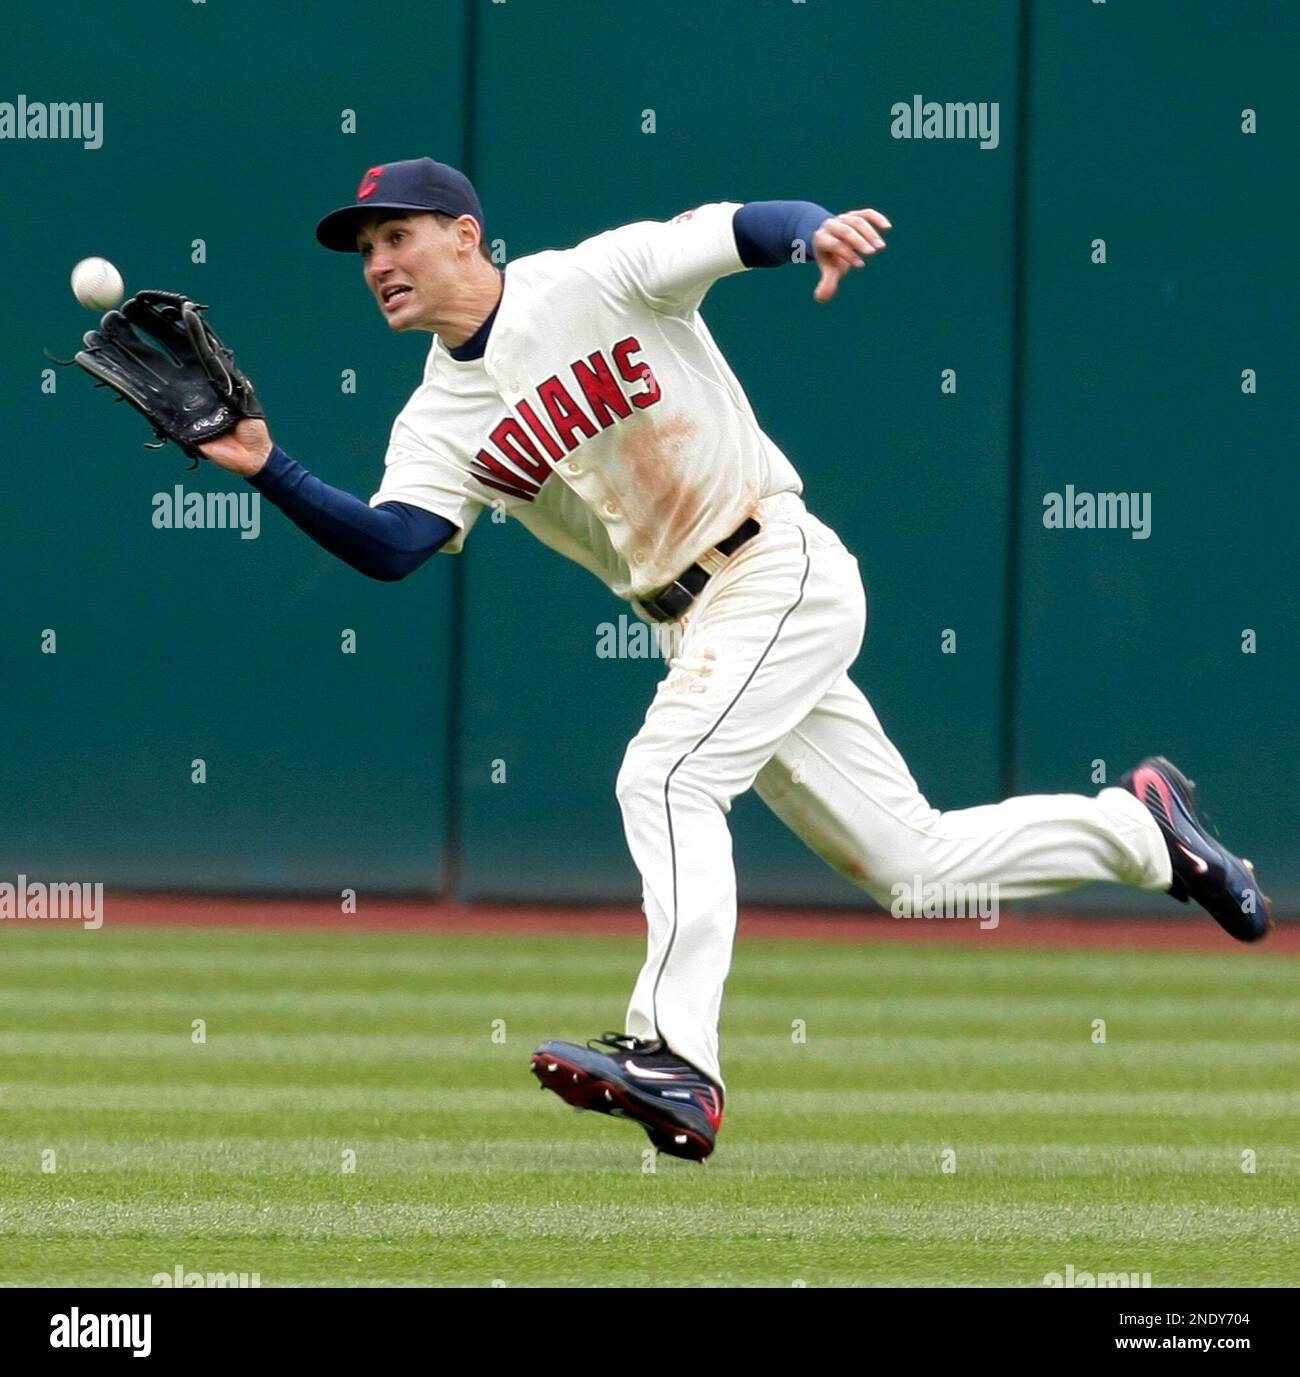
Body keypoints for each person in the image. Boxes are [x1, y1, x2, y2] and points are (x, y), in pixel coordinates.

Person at [196, 157, 1272, 1162]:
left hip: (772, 565)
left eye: (398, 236)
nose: (378, 262)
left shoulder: (591, 280)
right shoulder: (437, 416)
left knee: (663, 777)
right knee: (914, 868)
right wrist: (264, 464)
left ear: (466, 235)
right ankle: (1146, 836)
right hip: (697, 627)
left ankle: (674, 1060)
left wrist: (815, 236)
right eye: (365, 249)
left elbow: (727, 233)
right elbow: (396, 545)